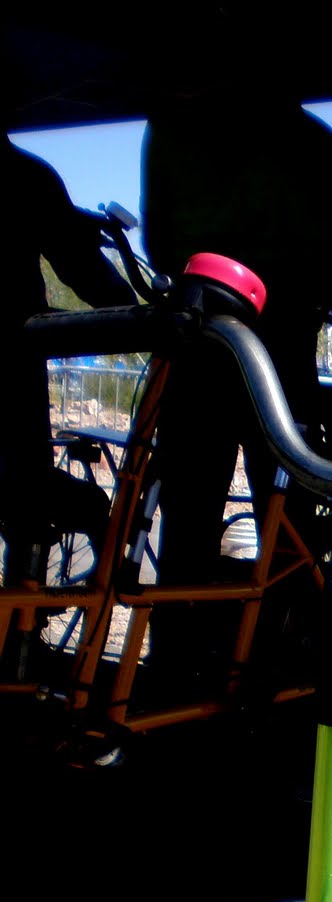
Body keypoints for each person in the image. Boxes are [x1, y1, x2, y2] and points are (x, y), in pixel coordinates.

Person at [139, 97, 332, 681]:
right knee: (285, 514)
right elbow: (331, 273)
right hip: (276, 352)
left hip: (202, 340)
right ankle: (287, 663)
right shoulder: (326, 150)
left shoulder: (174, 127)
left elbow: (161, 244)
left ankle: (174, 666)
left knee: (189, 514)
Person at [0, 135, 135, 596]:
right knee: (54, 500)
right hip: (12, 379)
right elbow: (85, 271)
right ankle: (24, 632)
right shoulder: (25, 175)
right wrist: (132, 311)